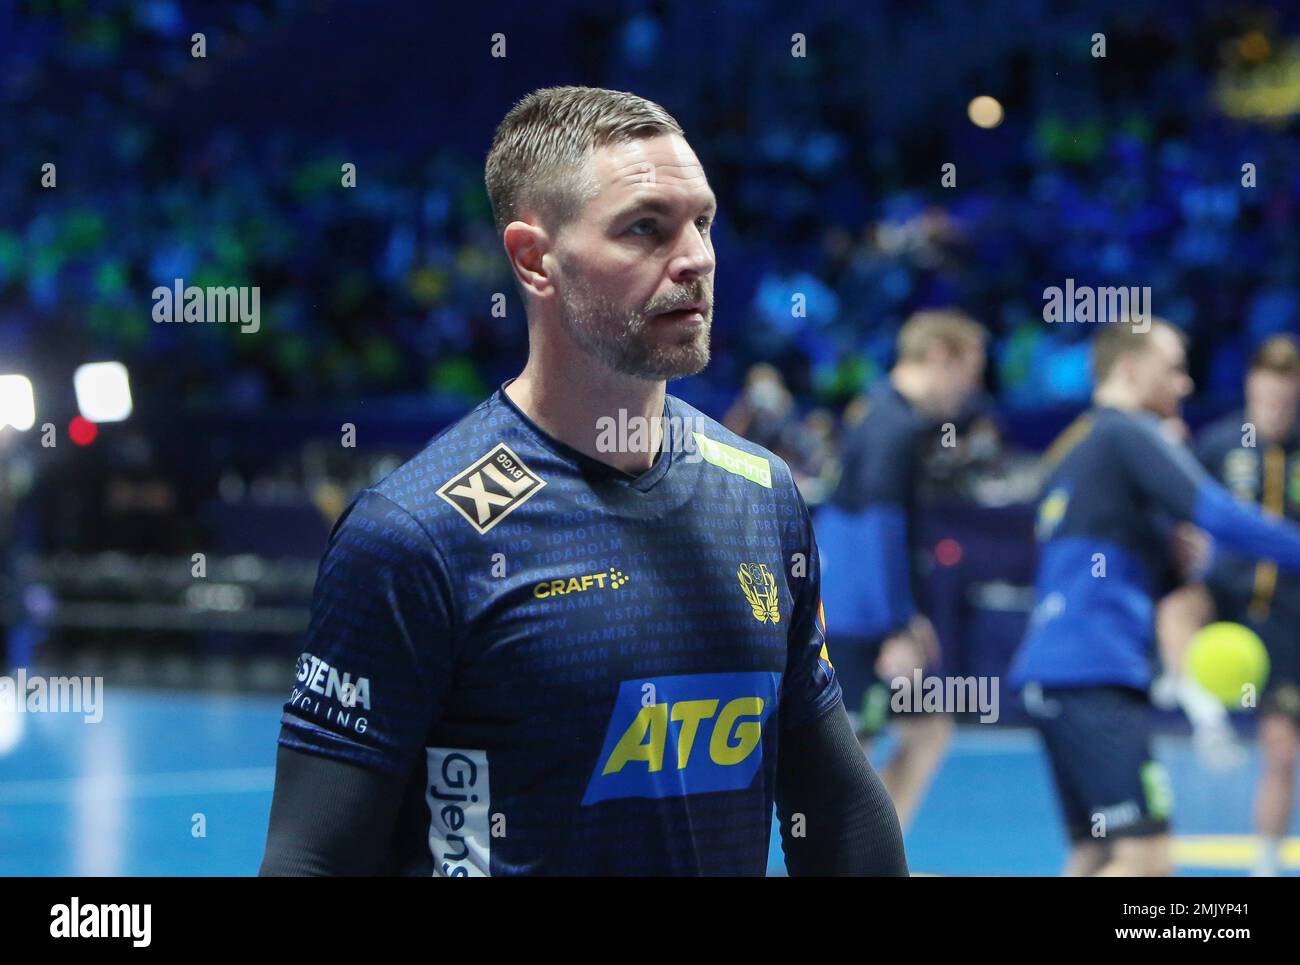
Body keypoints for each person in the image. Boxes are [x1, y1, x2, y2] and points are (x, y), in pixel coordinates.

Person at [260, 85, 906, 876]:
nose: (696, 257)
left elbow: (836, 813)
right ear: (536, 259)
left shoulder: (760, 496)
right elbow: (312, 858)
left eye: (702, 221)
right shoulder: (419, 533)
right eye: (646, 228)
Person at [1009, 321, 1300, 876]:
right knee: (1147, 861)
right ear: (1129, 370)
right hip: (1094, 676)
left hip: (1056, 676)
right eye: (1173, 368)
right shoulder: (1127, 432)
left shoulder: (1075, 446)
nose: (1185, 384)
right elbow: (1219, 514)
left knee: (1095, 851)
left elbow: (1109, 554)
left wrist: (1170, 556)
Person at [816, 310, 987, 829]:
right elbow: (877, 530)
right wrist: (896, 627)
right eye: (969, 372)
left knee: (928, 727)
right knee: (852, 760)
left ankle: (881, 859)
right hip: (857, 624)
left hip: (865, 615)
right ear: (940, 356)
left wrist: (907, 617)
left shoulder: (881, 415)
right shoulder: (894, 426)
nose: (971, 390)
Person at [1158, 334, 1300, 876]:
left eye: (1285, 402)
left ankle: (1265, 860)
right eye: (1265, 400)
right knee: (1176, 601)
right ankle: (1204, 714)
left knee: (1283, 748)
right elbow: (1181, 513)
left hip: (1288, 617)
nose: (1274, 412)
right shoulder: (1220, 444)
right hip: (1227, 601)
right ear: (1249, 390)